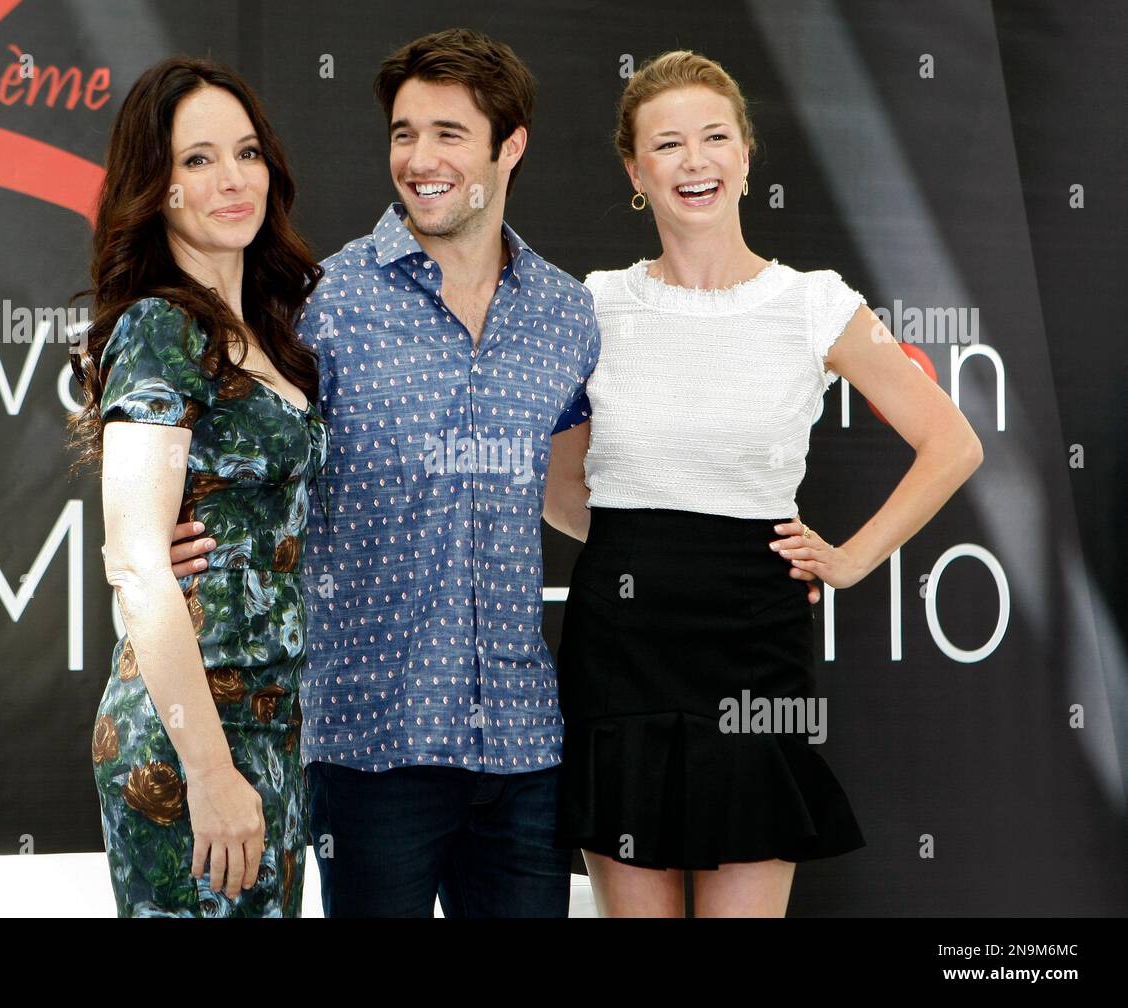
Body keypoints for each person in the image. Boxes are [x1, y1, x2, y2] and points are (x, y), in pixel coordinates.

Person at [164, 30, 817, 917]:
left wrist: (722, 564)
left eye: (448, 134)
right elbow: (236, 439)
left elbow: (600, 492)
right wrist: (184, 527)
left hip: (523, 751)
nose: (419, 159)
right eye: (403, 133)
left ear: (510, 147)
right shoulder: (326, 303)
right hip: (371, 745)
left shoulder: (564, 315)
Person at [543, 51, 984, 917]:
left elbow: (952, 442)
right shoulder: (592, 307)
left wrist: (852, 560)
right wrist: (647, 555)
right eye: (668, 145)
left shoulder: (814, 304)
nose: (695, 161)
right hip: (619, 652)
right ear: (636, 171)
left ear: (746, 154)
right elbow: (560, 486)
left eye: (714, 137)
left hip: (754, 648)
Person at [68, 57, 328, 917]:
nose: (232, 179)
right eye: (198, 160)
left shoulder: (269, 333)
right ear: (158, 186)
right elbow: (139, 561)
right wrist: (211, 772)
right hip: (189, 740)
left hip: (272, 727)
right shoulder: (159, 326)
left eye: (246, 152)